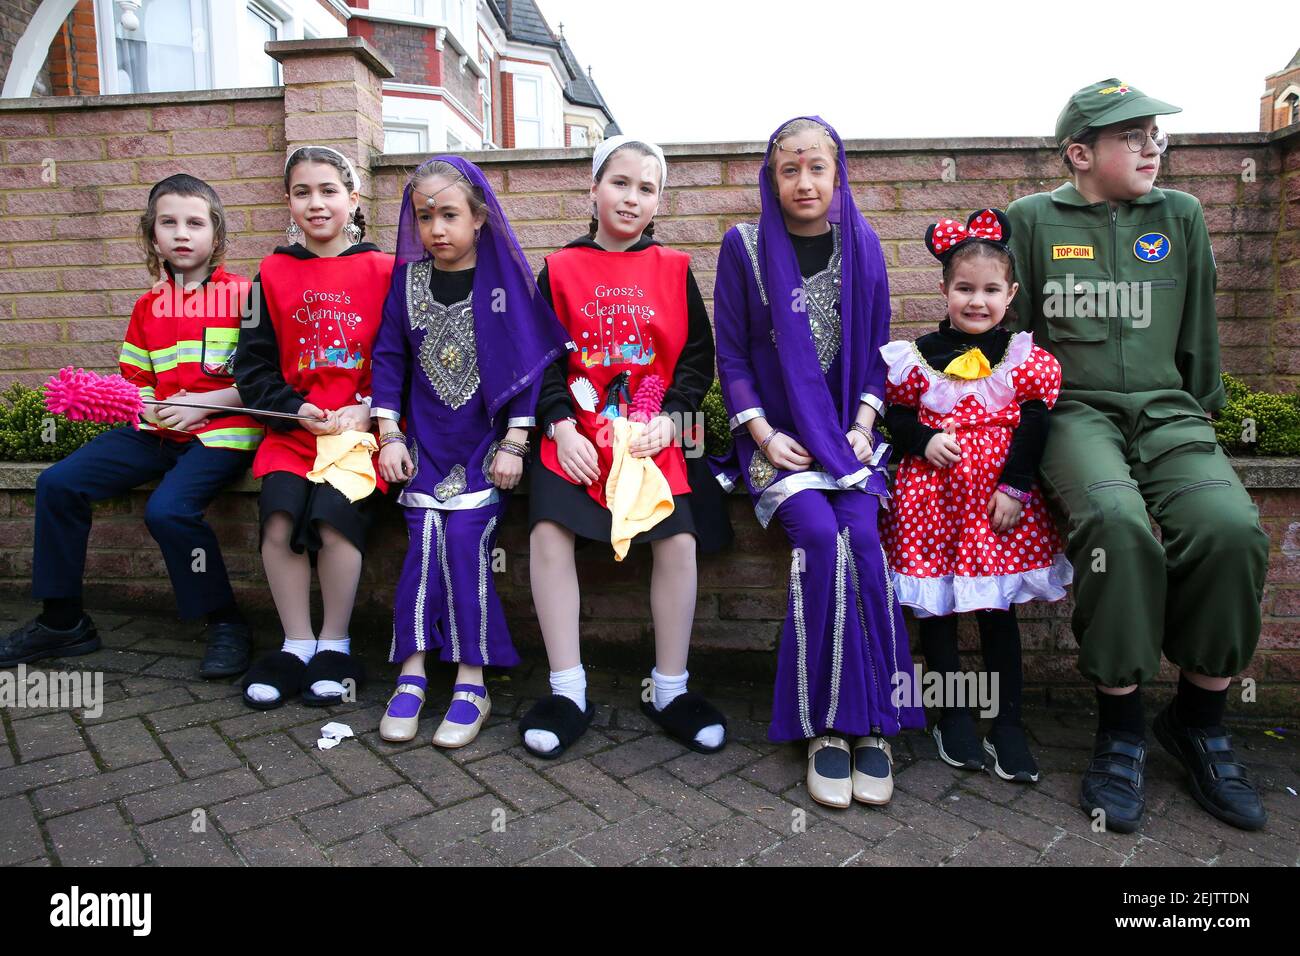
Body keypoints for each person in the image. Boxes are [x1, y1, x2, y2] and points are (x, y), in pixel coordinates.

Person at [1007, 80, 1269, 832]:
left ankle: (1198, 720)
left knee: (1230, 529)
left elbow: (1199, 326)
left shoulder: (1180, 216)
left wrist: (1201, 419)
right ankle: (1120, 728)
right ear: (1081, 152)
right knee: (1118, 527)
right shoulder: (1032, 221)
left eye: (1158, 133)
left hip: (1168, 412)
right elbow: (1012, 335)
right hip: (1074, 414)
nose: (1154, 145)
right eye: (1134, 134)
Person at [713, 117, 923, 809]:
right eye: (789, 169)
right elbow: (735, 354)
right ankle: (828, 726)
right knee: (824, 540)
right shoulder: (742, 248)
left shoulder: (861, 243)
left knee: (864, 540)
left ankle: (876, 725)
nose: (804, 182)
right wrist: (766, 435)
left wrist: (865, 422)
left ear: (838, 175)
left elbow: (873, 351)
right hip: (779, 445)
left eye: (816, 168)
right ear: (771, 179)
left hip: (848, 439)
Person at [0, 174, 261, 679]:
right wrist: (143, 408)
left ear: (216, 234)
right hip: (156, 433)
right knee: (58, 483)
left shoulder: (248, 298)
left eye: (195, 222)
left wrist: (205, 407)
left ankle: (226, 621)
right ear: (152, 235)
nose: (182, 233)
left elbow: (262, 382)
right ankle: (63, 621)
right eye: (168, 222)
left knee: (168, 510)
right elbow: (135, 381)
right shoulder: (147, 307)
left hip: (221, 436)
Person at [519, 135, 727, 760]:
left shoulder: (675, 268)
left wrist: (673, 418)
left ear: (659, 200)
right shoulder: (558, 268)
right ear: (593, 188)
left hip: (651, 431)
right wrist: (556, 424)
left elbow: (696, 359)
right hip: (576, 433)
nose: (632, 197)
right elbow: (540, 360)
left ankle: (669, 688)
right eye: (620, 182)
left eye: (646, 187)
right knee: (548, 531)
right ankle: (567, 690)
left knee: (680, 539)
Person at [370, 156, 569, 747]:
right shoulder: (406, 283)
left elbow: (530, 367)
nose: (436, 228)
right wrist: (388, 436)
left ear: (479, 217)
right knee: (424, 538)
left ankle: (471, 679)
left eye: (450, 214)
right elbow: (389, 358)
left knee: (462, 541)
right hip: (423, 443)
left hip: (485, 446)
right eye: (424, 215)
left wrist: (516, 441)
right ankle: (411, 671)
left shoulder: (506, 281)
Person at [880, 207, 1070, 784]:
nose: (977, 301)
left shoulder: (1023, 358)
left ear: (1010, 294)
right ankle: (951, 714)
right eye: (964, 288)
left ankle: (1007, 722)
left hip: (994, 505)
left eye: (990, 290)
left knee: (994, 611)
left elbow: (1034, 426)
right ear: (943, 290)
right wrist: (925, 438)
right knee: (936, 612)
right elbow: (894, 416)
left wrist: (1015, 486)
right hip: (930, 506)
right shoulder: (915, 357)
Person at [233, 146, 394, 711]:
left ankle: (335, 643)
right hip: (294, 430)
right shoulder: (271, 273)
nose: (316, 202)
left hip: (358, 433)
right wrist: (290, 408)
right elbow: (250, 367)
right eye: (303, 192)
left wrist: (371, 407)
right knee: (279, 517)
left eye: (329, 190)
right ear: (289, 202)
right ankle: (297, 643)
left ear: (353, 199)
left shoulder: (387, 271)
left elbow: (407, 357)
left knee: (331, 521)